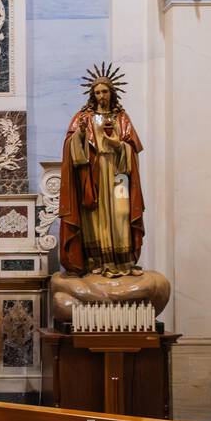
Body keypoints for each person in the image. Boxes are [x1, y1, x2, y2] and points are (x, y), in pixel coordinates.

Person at [58, 64, 146, 277]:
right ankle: (97, 260)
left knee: (122, 213)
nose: (101, 96)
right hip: (95, 172)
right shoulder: (84, 117)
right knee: (96, 215)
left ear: (112, 92)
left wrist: (118, 145)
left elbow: (132, 146)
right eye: (97, 92)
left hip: (118, 173)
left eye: (104, 91)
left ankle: (124, 261)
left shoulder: (121, 117)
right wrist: (79, 136)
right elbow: (70, 144)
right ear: (92, 94)